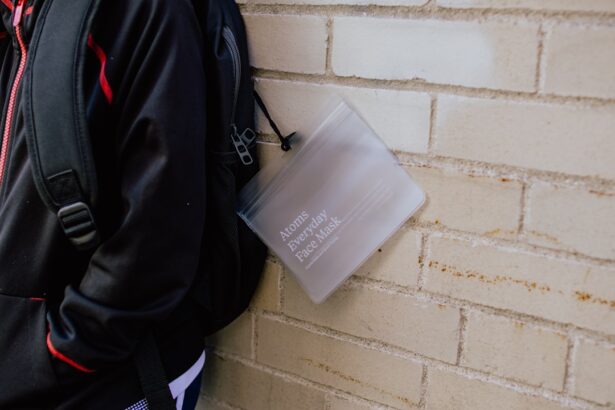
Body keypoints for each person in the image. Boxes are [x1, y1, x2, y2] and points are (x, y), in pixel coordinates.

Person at [0, 0, 208, 408]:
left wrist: (53, 354)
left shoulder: (143, 10)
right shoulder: (15, 18)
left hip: (106, 381)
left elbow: (158, 234)